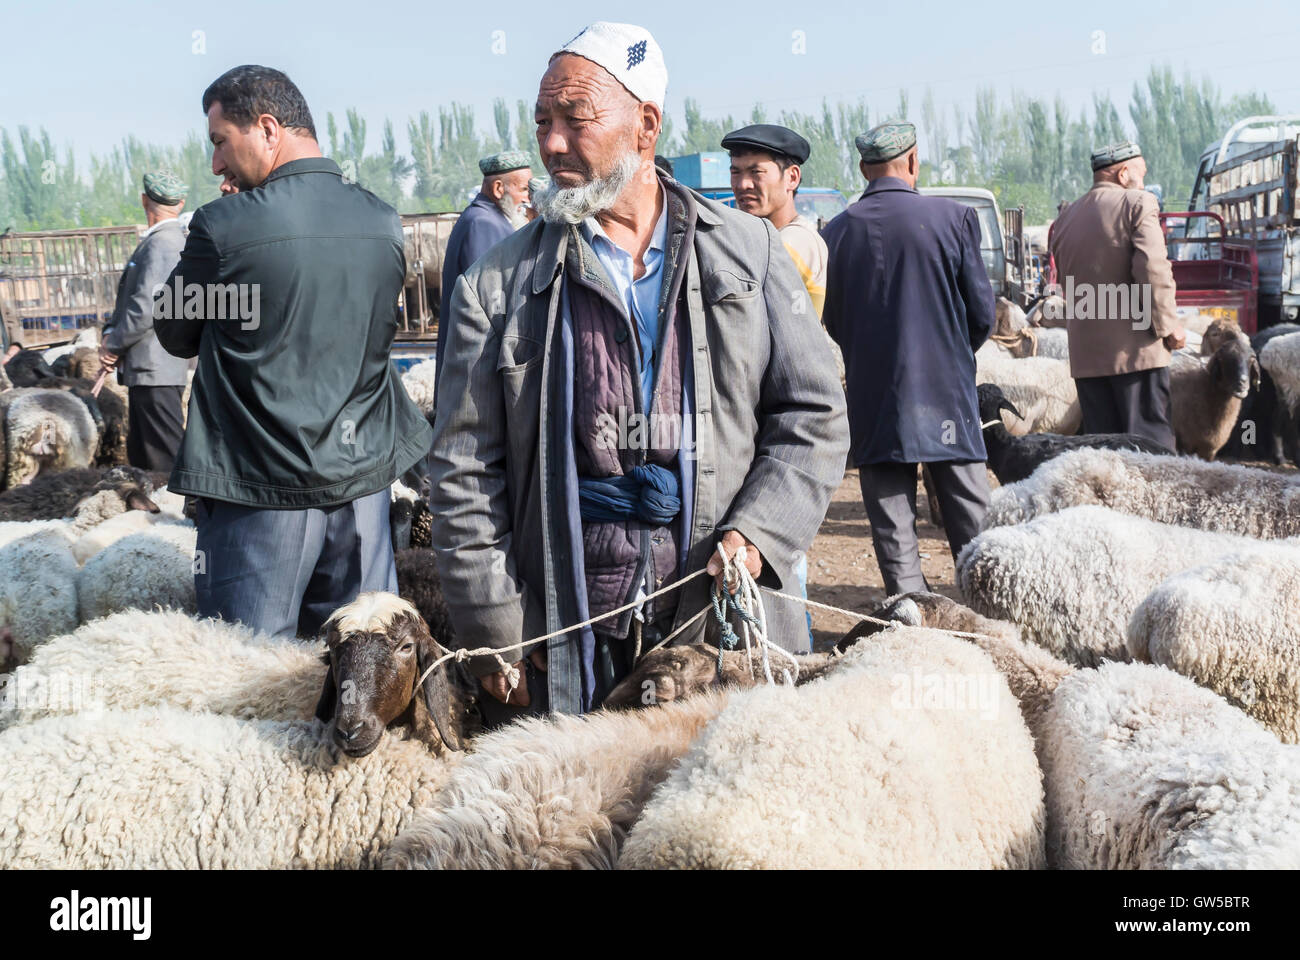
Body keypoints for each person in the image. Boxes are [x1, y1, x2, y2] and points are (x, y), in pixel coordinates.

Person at [429, 21, 848, 721]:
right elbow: (465, 470)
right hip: (565, 625)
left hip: (715, 619)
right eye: (542, 121)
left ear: (646, 125)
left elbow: (813, 414)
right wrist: (499, 630)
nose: (552, 143)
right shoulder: (498, 285)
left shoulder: (748, 254)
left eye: (575, 119)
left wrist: (760, 534)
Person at [154, 64, 432, 638]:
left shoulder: (221, 227)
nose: (215, 165)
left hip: (260, 497)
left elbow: (175, 331)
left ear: (267, 128)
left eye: (219, 143)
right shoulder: (382, 220)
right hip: (363, 496)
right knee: (360, 670)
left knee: (253, 686)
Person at [822, 121, 995, 597]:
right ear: (914, 162)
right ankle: (989, 627)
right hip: (947, 398)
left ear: (862, 169)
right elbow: (982, 314)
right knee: (974, 525)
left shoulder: (835, 233)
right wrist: (951, 356)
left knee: (894, 529)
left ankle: (916, 626)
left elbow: (834, 321)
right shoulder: (954, 218)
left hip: (874, 399)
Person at [1049, 141, 1183, 448]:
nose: (1144, 182)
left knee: (1105, 456)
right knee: (1150, 451)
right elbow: (1152, 270)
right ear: (1123, 174)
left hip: (1087, 360)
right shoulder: (1137, 203)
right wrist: (1168, 326)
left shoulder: (1066, 219)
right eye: (1141, 173)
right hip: (1137, 355)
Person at [98, 172, 191, 472]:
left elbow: (146, 308)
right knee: (146, 458)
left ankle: (178, 516)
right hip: (152, 369)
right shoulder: (164, 241)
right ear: (180, 203)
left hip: (155, 368)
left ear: (143, 200)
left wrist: (113, 344)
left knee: (162, 459)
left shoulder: (162, 243)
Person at [437, 152, 533, 385]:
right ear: (499, 188)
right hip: (478, 368)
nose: (527, 198)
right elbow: (488, 305)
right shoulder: (484, 224)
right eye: (523, 189)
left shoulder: (483, 218)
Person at [722, 124, 826, 318]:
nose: (743, 184)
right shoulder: (766, 238)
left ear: (792, 178)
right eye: (736, 172)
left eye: (756, 172)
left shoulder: (793, 241)